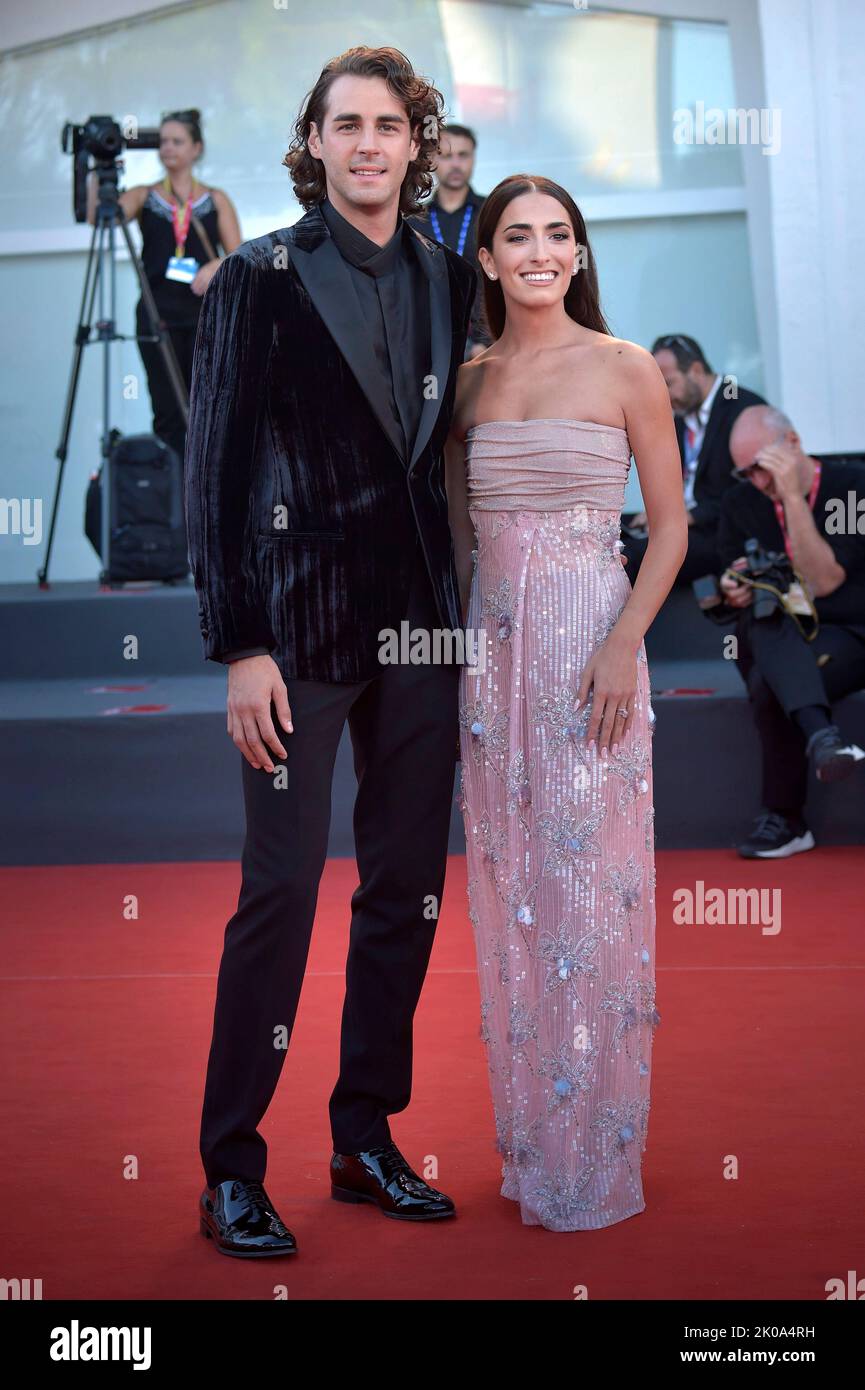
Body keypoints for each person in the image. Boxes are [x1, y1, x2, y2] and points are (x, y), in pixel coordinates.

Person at [185, 47, 477, 1258]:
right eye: (345, 123)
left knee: (404, 888)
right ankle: (229, 1167)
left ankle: (364, 1137)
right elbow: (214, 469)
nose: (367, 143)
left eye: (388, 125)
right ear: (314, 140)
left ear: (416, 144)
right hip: (295, 632)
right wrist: (239, 643)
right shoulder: (254, 278)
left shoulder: (453, 276)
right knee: (281, 890)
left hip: (422, 629)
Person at [445, 175, 688, 1230]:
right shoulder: (466, 384)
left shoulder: (625, 366)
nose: (538, 251)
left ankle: (596, 1149)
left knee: (589, 892)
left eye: (557, 234)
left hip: (594, 652)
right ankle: (537, 1139)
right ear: (487, 259)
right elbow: (461, 545)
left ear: (578, 254)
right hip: (493, 663)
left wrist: (623, 644)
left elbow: (669, 528)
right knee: (516, 889)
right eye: (516, 236)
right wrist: (460, 663)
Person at [717, 405, 865, 859]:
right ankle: (824, 739)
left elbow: (824, 582)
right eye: (746, 473)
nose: (758, 481)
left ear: (794, 443)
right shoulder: (740, 502)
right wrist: (732, 589)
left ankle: (785, 819)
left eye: (763, 466)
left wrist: (793, 500)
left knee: (770, 681)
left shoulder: (852, 487)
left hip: (848, 633)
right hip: (779, 632)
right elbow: (730, 581)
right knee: (763, 611)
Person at [87, 108, 242, 468]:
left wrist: (215, 265)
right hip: (157, 316)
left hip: (205, 317)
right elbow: (100, 217)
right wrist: (97, 168)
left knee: (209, 404)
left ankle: (209, 483)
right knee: (167, 410)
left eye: (177, 141)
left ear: (196, 148)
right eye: (163, 141)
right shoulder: (145, 195)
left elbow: (239, 256)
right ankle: (174, 487)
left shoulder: (215, 199)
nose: (168, 148)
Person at [622, 333, 764, 584]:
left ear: (696, 370)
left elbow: (752, 491)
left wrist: (691, 515)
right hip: (681, 525)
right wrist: (658, 514)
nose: (664, 396)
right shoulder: (680, 414)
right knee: (610, 532)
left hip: (719, 533)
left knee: (628, 556)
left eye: (669, 383)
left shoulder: (742, 408)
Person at [408, 123, 490, 357]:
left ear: (473, 158)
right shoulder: (413, 220)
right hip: (427, 345)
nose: (455, 164)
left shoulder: (492, 214)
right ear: (431, 159)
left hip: (487, 342)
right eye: (446, 156)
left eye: (463, 155)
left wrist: (485, 341)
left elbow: (503, 280)